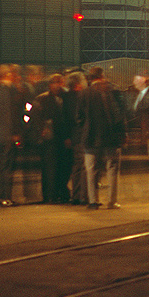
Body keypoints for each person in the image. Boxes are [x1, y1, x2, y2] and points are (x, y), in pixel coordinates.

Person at [79, 67, 125, 209]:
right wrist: (122, 134)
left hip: (90, 138)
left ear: (90, 78)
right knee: (112, 168)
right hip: (110, 137)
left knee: (91, 170)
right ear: (102, 76)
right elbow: (118, 115)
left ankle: (93, 201)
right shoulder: (111, 92)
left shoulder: (84, 93)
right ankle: (111, 201)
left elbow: (78, 117)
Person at [0, 64, 25, 207]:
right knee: (6, 167)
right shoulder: (7, 90)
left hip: (0, 133)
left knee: (2, 167)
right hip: (7, 134)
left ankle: (2, 196)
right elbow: (8, 114)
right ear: (7, 75)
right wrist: (14, 133)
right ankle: (4, 197)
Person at [30, 73, 64, 203]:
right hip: (49, 139)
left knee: (60, 167)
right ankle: (49, 195)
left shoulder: (63, 98)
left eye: (59, 82)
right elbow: (33, 115)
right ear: (50, 85)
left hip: (60, 137)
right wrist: (41, 130)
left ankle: (57, 193)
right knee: (49, 168)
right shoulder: (42, 99)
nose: (57, 85)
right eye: (55, 82)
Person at [62, 71, 87, 205]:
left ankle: (76, 195)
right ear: (78, 84)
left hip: (72, 136)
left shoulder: (65, 97)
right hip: (80, 135)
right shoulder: (80, 97)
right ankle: (82, 195)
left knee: (77, 166)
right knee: (83, 166)